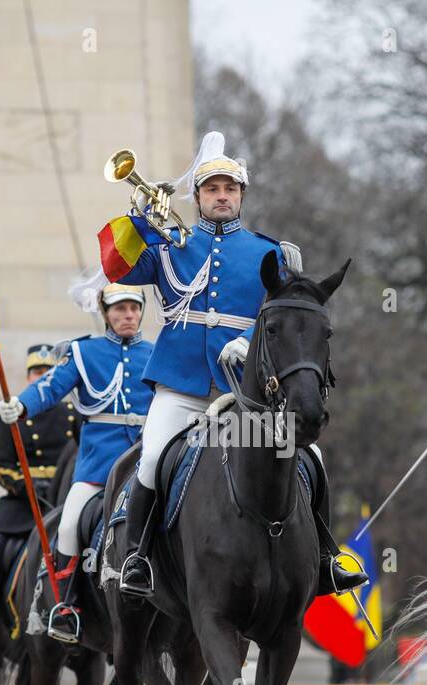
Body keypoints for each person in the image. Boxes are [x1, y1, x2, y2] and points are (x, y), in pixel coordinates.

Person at [106, 133, 368, 599]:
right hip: (182, 386)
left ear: (242, 196)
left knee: (312, 459)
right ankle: (138, 560)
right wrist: (137, 220)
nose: (222, 196)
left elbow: (288, 313)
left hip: (247, 394)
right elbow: (115, 269)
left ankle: (326, 558)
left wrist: (247, 343)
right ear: (199, 197)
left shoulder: (272, 254)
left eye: (230, 188)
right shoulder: (170, 246)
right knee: (150, 460)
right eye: (212, 189)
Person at [0, 284, 154, 645]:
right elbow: (50, 386)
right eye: (119, 309)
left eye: (133, 308)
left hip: (146, 463)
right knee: (68, 527)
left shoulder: (157, 354)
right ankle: (66, 606)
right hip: (98, 469)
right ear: (106, 313)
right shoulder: (84, 353)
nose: (128, 315)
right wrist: (21, 405)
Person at [0, 344, 79, 651]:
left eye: (48, 372)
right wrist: (27, 487)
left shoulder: (73, 414)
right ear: (27, 377)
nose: (42, 377)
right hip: (22, 504)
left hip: (64, 499)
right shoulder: (9, 415)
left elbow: (83, 454)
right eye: (37, 372)